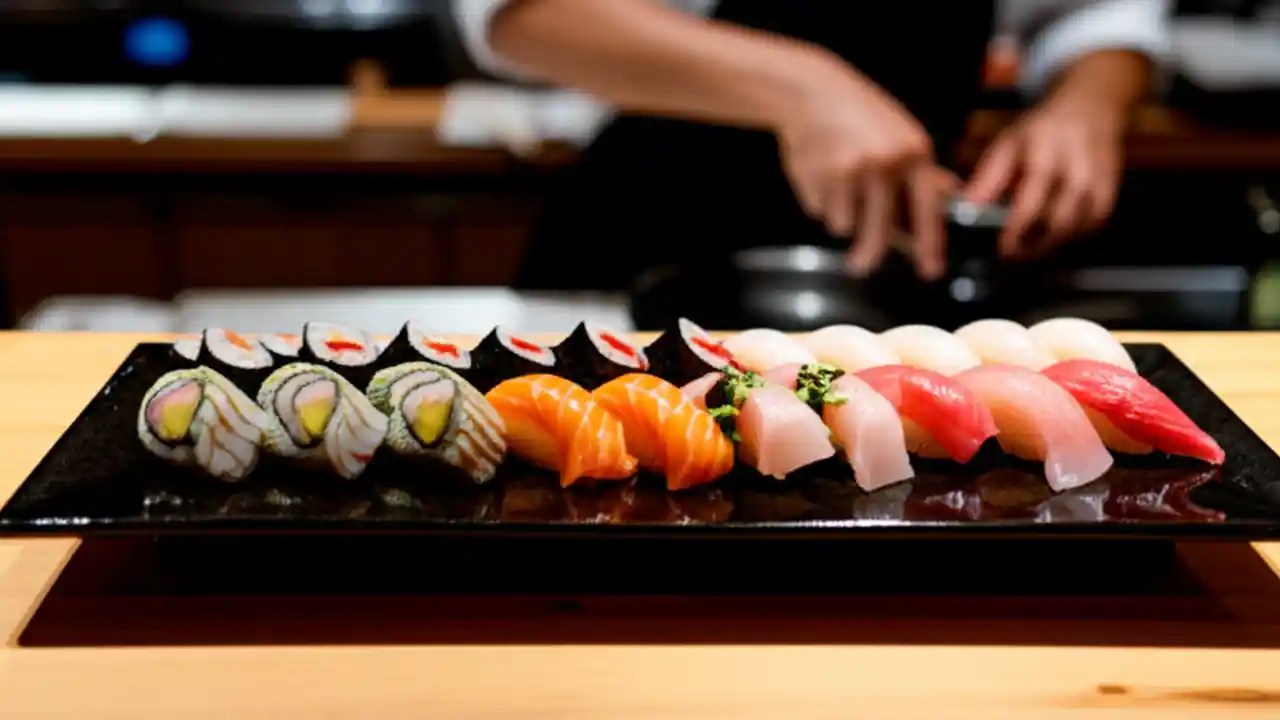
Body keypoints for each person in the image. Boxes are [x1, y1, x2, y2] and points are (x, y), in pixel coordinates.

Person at [451, 0, 1171, 290]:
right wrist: (805, 86)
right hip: (647, 255)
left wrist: (1088, 105)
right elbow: (521, 15)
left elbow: (1098, 19)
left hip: (900, 264)